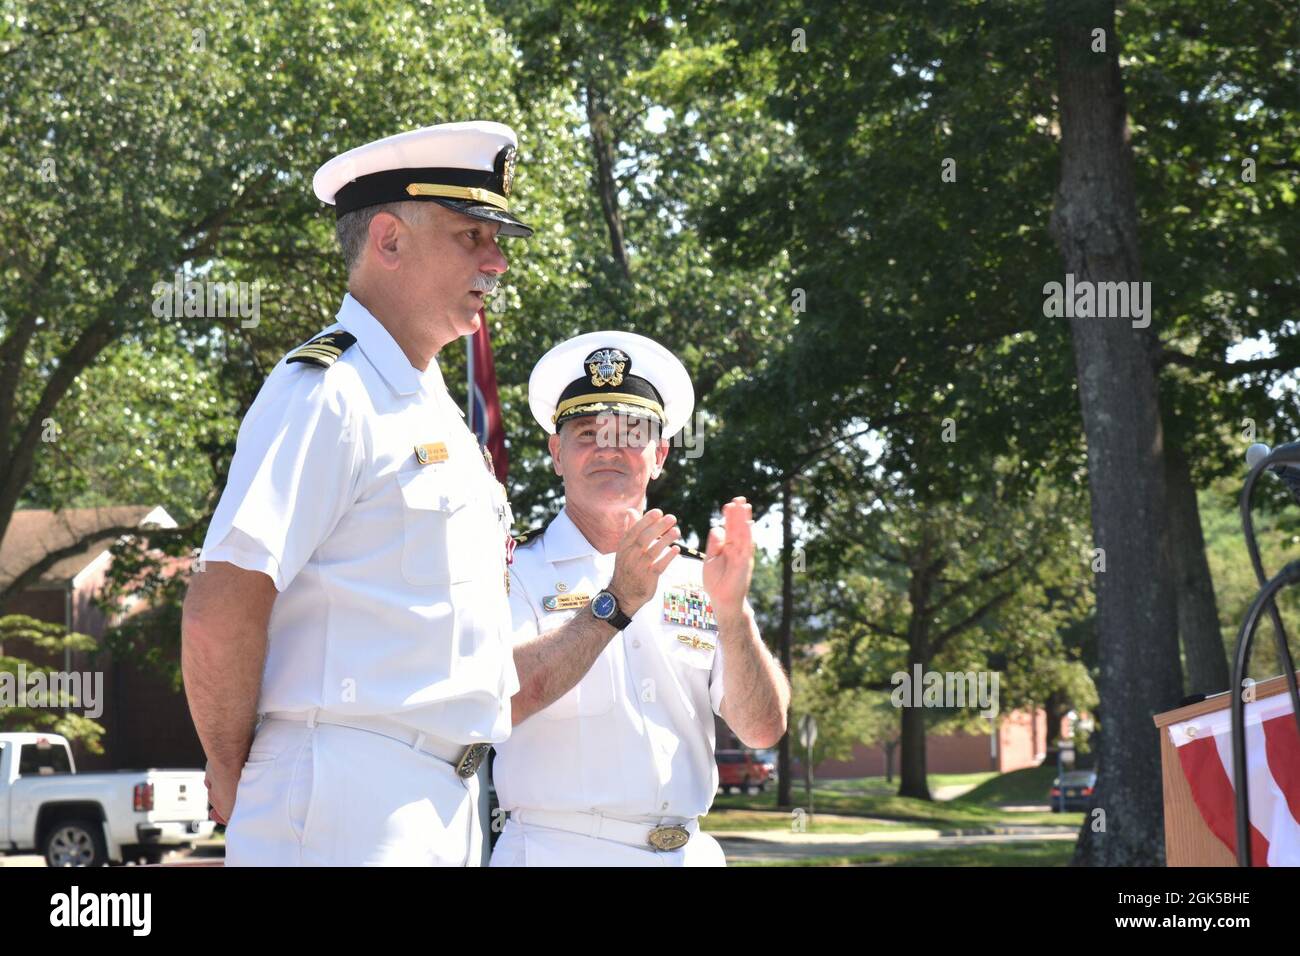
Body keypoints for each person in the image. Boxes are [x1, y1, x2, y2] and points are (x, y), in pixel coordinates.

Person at [181, 121, 533, 866]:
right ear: (388, 240)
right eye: (472, 236)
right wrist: (233, 765)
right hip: (346, 788)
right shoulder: (328, 391)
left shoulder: (433, 407)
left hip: (446, 798)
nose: (497, 262)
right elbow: (224, 601)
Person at [490, 331, 790, 866]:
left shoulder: (701, 578)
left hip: (689, 850)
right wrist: (615, 603)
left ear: (660, 455)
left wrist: (733, 615)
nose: (608, 448)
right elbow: (500, 699)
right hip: (559, 850)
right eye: (586, 433)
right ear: (556, 454)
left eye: (630, 432)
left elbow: (763, 727)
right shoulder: (511, 570)